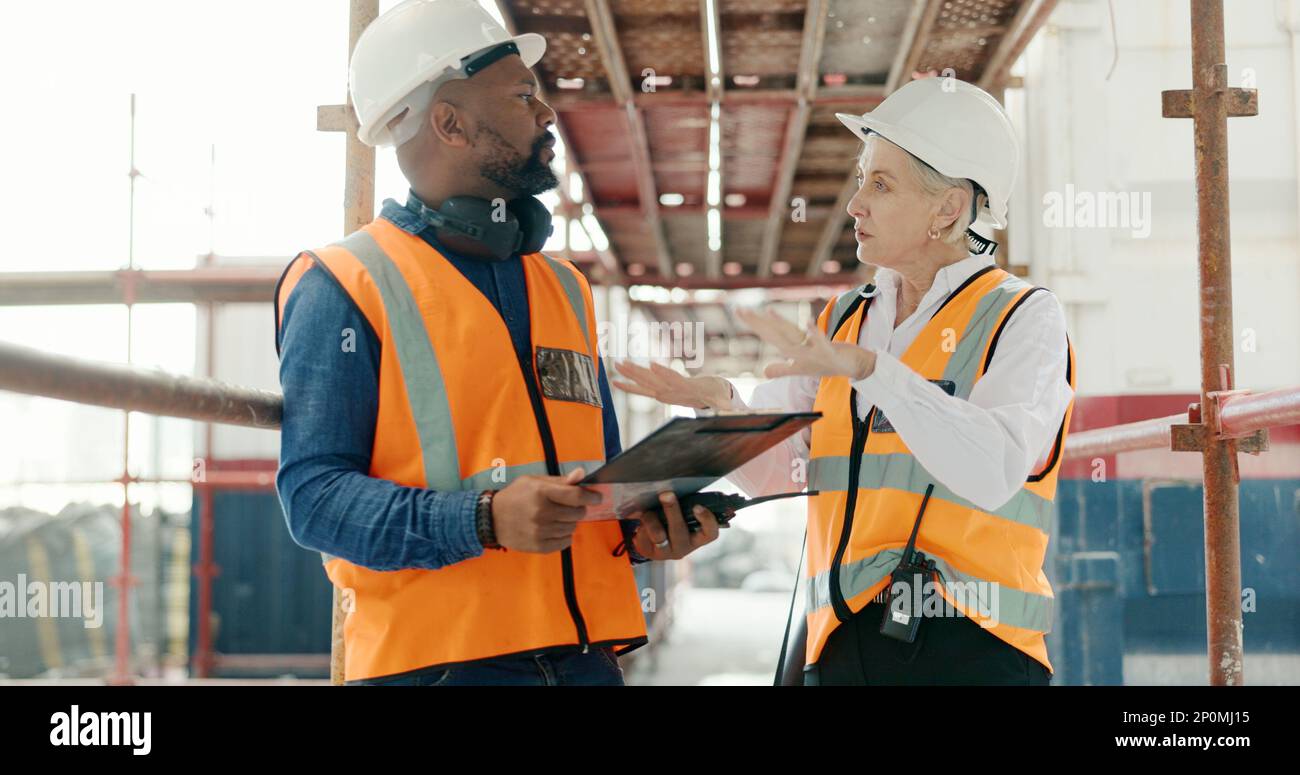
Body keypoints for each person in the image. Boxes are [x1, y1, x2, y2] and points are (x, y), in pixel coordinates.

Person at [273, 0, 718, 687]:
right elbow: (315, 497)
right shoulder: (344, 284)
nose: (545, 116)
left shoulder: (564, 287)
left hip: (585, 662)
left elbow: (590, 481)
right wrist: (482, 520)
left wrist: (643, 527)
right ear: (449, 122)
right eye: (522, 95)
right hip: (439, 669)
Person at [613, 76, 1076, 686]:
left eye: (880, 184)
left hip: (970, 651)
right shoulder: (845, 318)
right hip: (841, 641)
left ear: (949, 209)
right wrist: (722, 408)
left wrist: (874, 372)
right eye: (862, 179)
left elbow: (993, 469)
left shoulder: (1023, 317)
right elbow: (785, 472)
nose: (855, 204)